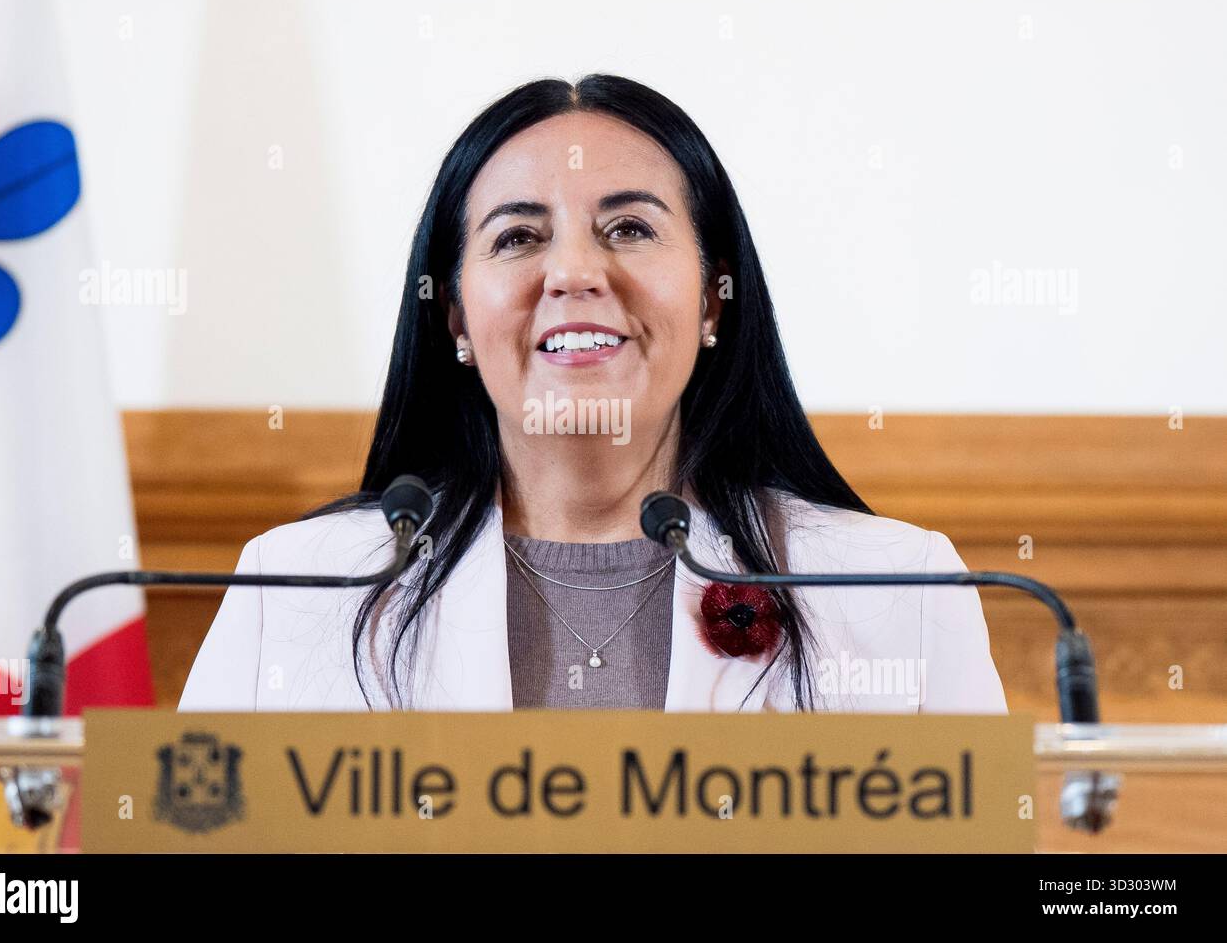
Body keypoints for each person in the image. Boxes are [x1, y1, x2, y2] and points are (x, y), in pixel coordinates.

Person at [178, 75, 1007, 715]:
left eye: (630, 229)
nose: (574, 272)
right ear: (456, 315)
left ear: (713, 300)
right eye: (518, 237)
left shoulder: (897, 592)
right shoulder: (297, 592)